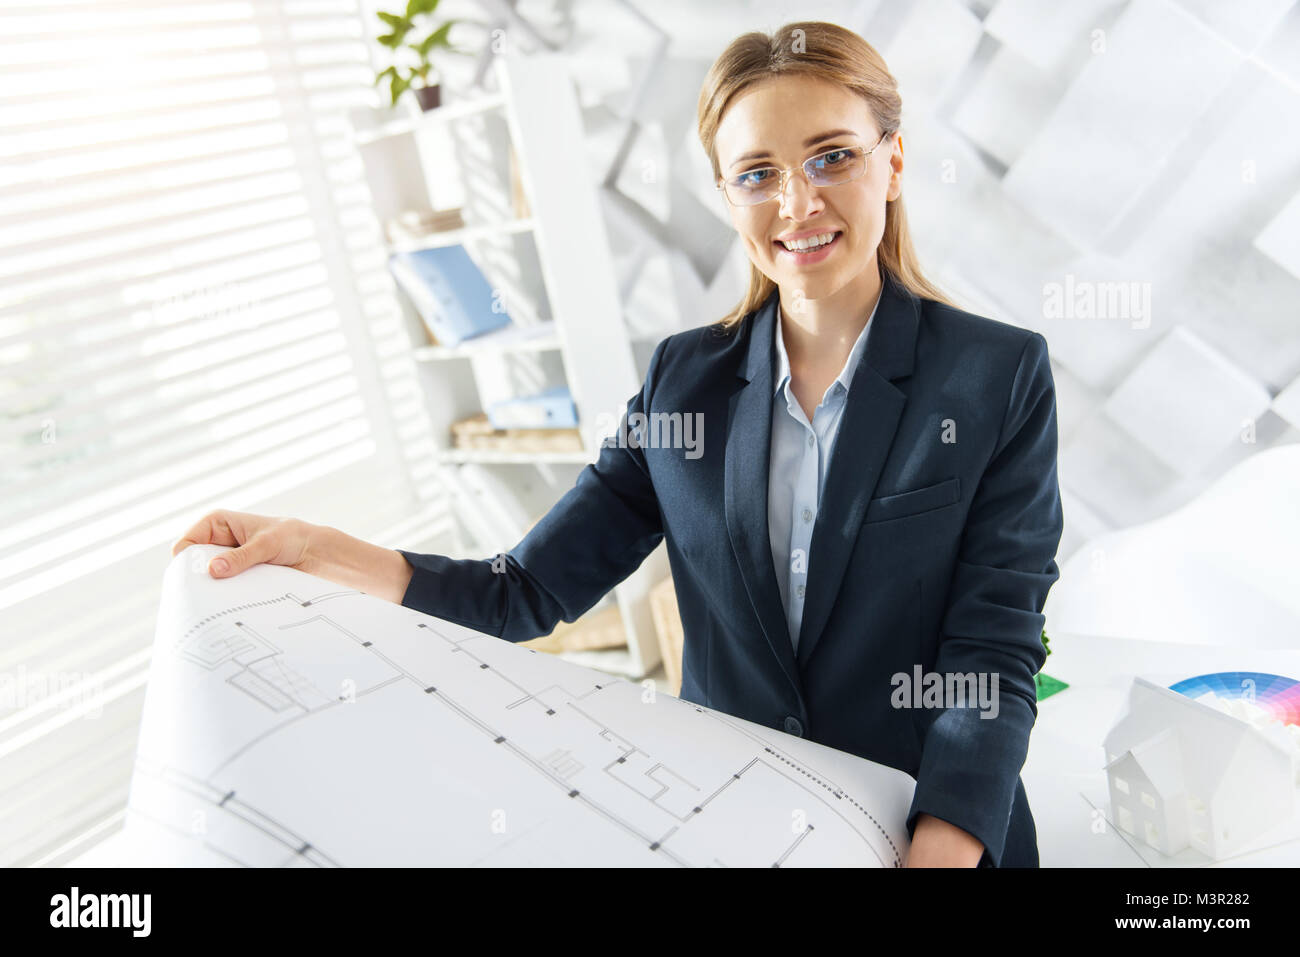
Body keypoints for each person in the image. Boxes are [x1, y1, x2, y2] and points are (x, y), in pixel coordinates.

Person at [173, 20, 1063, 867]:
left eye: (832, 156)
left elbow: (990, 655)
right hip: (737, 827)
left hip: (928, 824)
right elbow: (520, 593)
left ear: (893, 161)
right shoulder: (687, 383)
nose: (798, 201)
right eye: (757, 173)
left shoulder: (997, 376)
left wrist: (937, 850)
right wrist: (316, 548)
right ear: (726, 195)